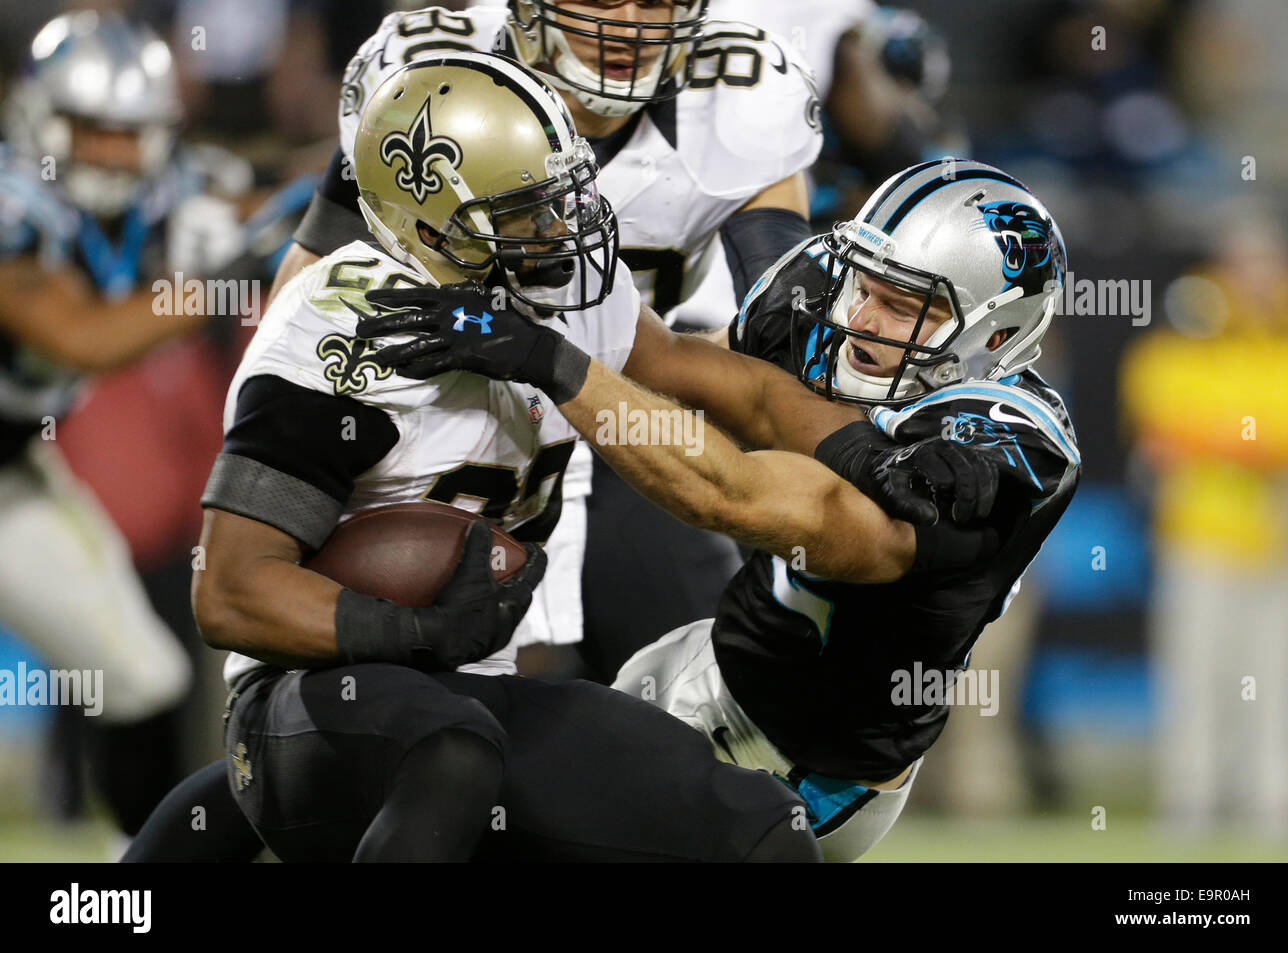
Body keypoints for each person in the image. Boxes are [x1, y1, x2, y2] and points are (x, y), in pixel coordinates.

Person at [183, 53, 839, 862]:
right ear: (432, 229)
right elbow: (231, 594)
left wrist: (878, 435)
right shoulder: (338, 335)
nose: (563, 233)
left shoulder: (568, 298)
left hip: (474, 690)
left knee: (762, 828)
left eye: (564, 200)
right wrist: (410, 629)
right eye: (527, 213)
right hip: (307, 700)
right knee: (450, 752)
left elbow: (724, 388)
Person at [360, 158, 1082, 861]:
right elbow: (684, 367)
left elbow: (733, 493)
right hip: (702, 657)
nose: (858, 315)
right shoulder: (826, 299)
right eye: (865, 283)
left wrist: (554, 363)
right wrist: (543, 269)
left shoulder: (1009, 455)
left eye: (899, 305)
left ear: (993, 335)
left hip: (808, 772)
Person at [273, 1, 827, 681]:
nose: (627, 24)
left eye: (655, 0)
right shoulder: (431, 73)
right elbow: (307, 291)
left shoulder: (742, 93)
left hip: (627, 411)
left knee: (703, 698)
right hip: (451, 421)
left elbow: (782, 320)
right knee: (456, 695)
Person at [0, 10, 206, 836]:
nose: (113, 154)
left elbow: (255, 190)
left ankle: (138, 884)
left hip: (12, 476)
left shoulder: (160, 199)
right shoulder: (14, 203)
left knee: (142, 676)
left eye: (130, 133)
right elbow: (78, 334)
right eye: (92, 129)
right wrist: (210, 284)